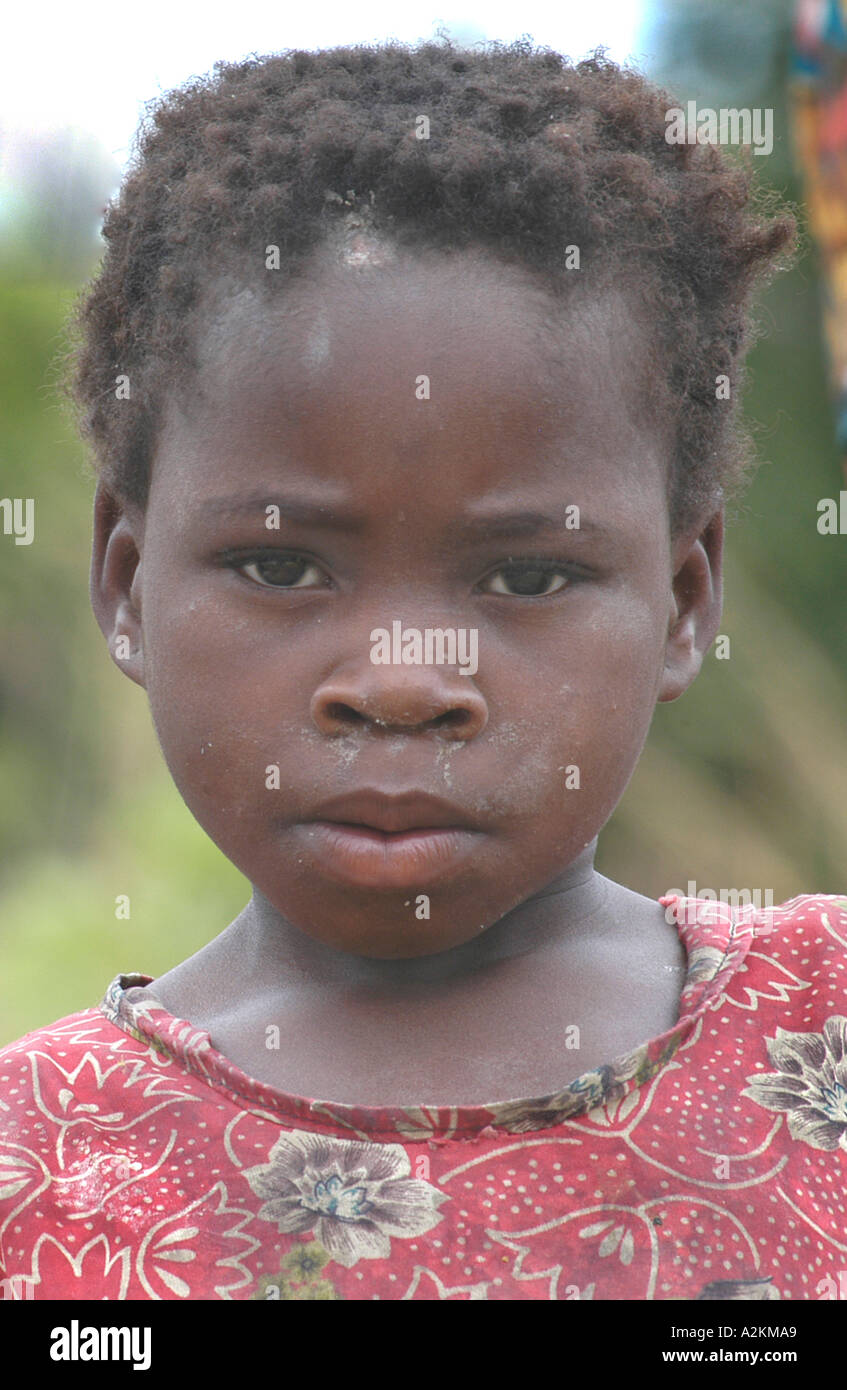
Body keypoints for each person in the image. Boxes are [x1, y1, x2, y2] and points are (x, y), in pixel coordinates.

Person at [1, 38, 842, 1304]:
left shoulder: (820, 1031)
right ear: (126, 586)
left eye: (524, 577)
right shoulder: (39, 1164)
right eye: (282, 570)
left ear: (682, 602)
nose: (402, 684)